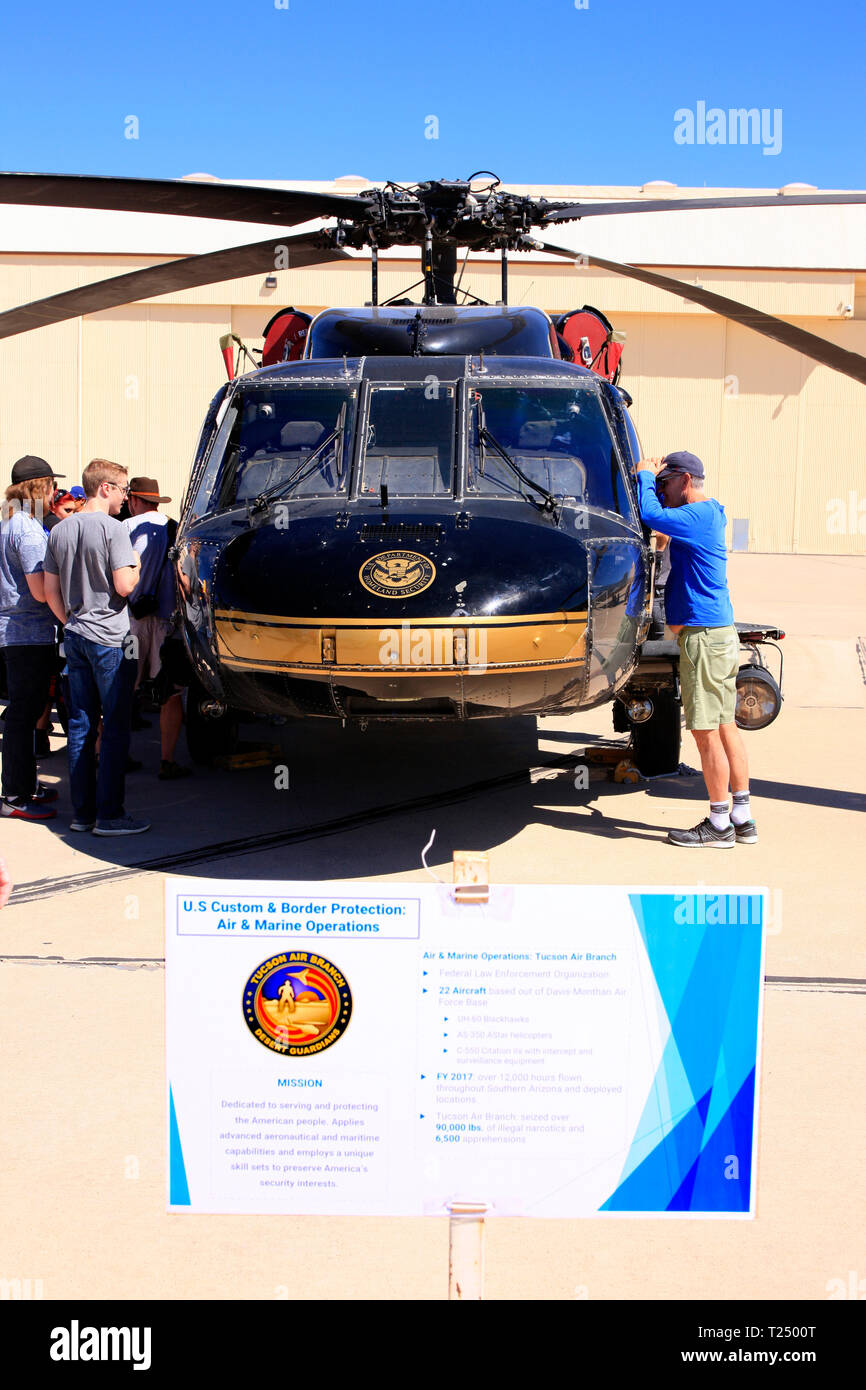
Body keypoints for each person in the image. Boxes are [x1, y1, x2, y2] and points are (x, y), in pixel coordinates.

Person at [635, 451, 756, 848]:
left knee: (705, 733)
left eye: (667, 483)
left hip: (704, 639)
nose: (663, 490)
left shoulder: (697, 516)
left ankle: (719, 824)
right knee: (725, 726)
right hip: (716, 635)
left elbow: (652, 517)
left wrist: (643, 477)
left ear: (684, 481)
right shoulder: (710, 513)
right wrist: (655, 481)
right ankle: (742, 814)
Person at [43, 458, 150, 836]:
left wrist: (70, 621)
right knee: (116, 726)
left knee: (80, 725)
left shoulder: (59, 530)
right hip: (109, 638)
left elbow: (48, 592)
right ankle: (111, 815)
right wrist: (135, 564)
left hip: (75, 636)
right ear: (105, 487)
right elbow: (124, 586)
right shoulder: (114, 530)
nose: (126, 497)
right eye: (123, 489)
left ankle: (83, 813)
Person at [0, 455, 64, 821]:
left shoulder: (9, 523)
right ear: (39, 487)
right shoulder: (25, 529)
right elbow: (41, 591)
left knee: (25, 712)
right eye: (52, 485)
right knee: (24, 714)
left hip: (17, 632)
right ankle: (15, 794)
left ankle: (24, 784)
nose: (55, 491)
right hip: (28, 633)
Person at [123, 477, 190, 780]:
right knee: (170, 693)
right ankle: (166, 761)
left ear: (133, 500)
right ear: (156, 500)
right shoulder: (176, 528)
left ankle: (110, 753)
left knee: (122, 689)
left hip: (131, 622)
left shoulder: (125, 528)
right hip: (167, 622)